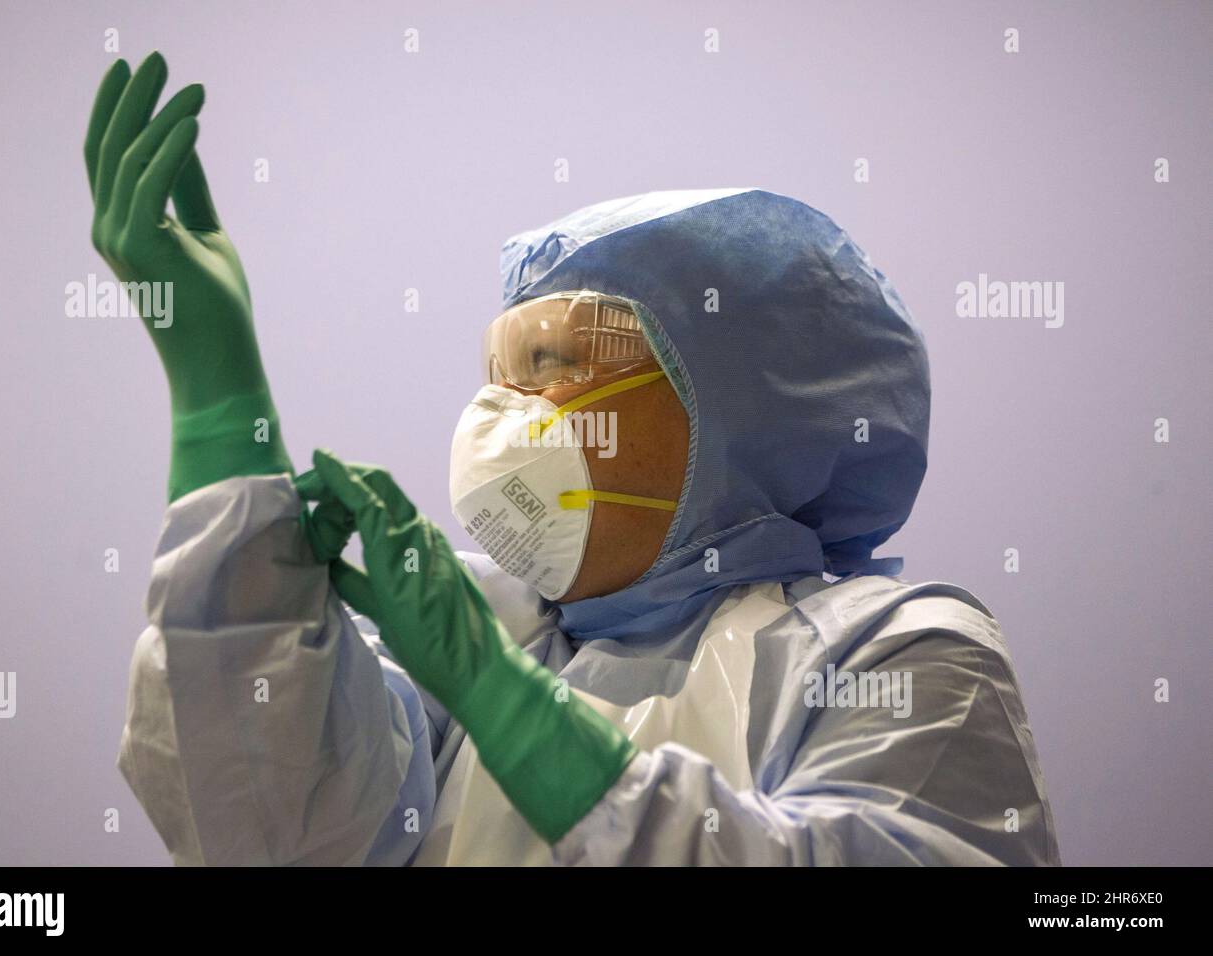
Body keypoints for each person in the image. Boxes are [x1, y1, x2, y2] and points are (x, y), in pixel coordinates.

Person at [91, 53, 1060, 866]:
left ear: (730, 406)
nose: (503, 413)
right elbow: (258, 820)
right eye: (500, 370)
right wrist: (221, 402)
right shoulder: (479, 647)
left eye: (554, 367)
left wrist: (513, 710)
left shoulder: (893, 648)